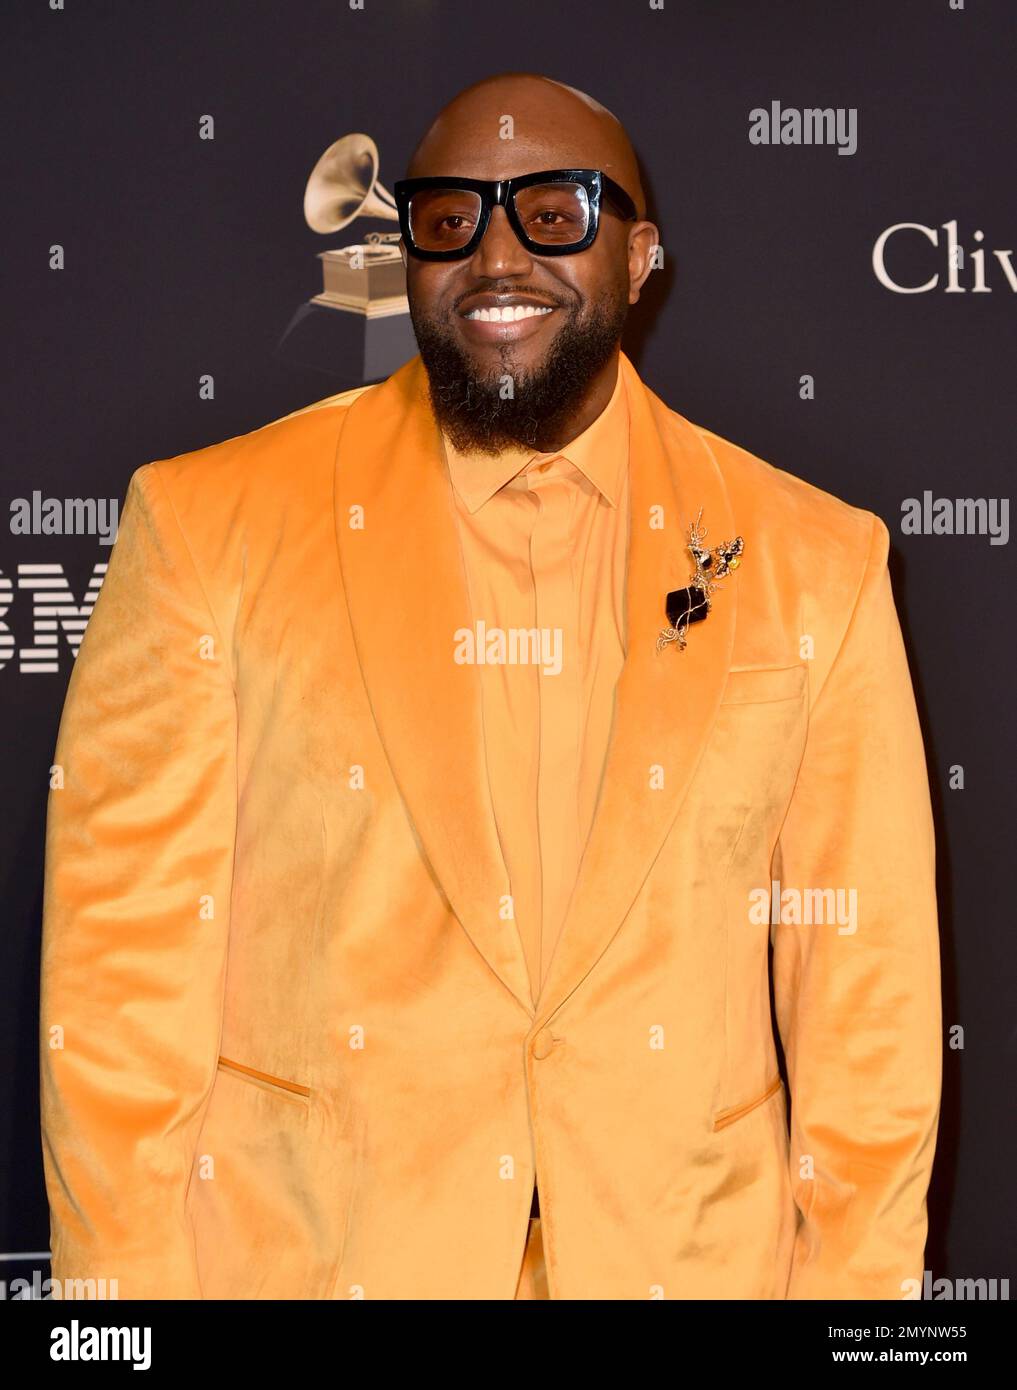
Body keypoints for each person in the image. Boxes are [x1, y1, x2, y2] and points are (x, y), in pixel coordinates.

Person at [39, 72, 942, 1300]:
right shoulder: (207, 527)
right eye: (452, 218)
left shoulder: (815, 564)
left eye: (555, 211)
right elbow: (117, 989)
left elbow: (869, 1012)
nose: (498, 254)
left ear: (642, 256)